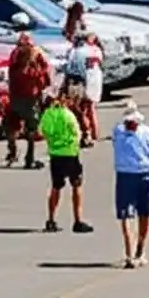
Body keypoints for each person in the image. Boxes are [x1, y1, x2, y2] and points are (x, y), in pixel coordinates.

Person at [112, 102, 149, 269]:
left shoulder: (148, 134)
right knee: (125, 215)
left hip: (144, 174)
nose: (130, 125)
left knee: (144, 213)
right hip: (125, 174)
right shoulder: (119, 132)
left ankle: (140, 248)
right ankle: (129, 252)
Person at [38, 92, 93, 234]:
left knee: (56, 187)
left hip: (55, 154)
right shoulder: (68, 115)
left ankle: (51, 219)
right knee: (76, 185)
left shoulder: (48, 115)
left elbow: (42, 131)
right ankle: (78, 220)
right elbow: (77, 132)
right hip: (70, 153)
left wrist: (53, 141)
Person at [0, 32, 51, 169]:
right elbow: (43, 72)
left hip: (16, 96)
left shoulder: (15, 56)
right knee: (31, 129)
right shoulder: (32, 56)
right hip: (30, 97)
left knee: (12, 125)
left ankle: (13, 152)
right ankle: (29, 158)